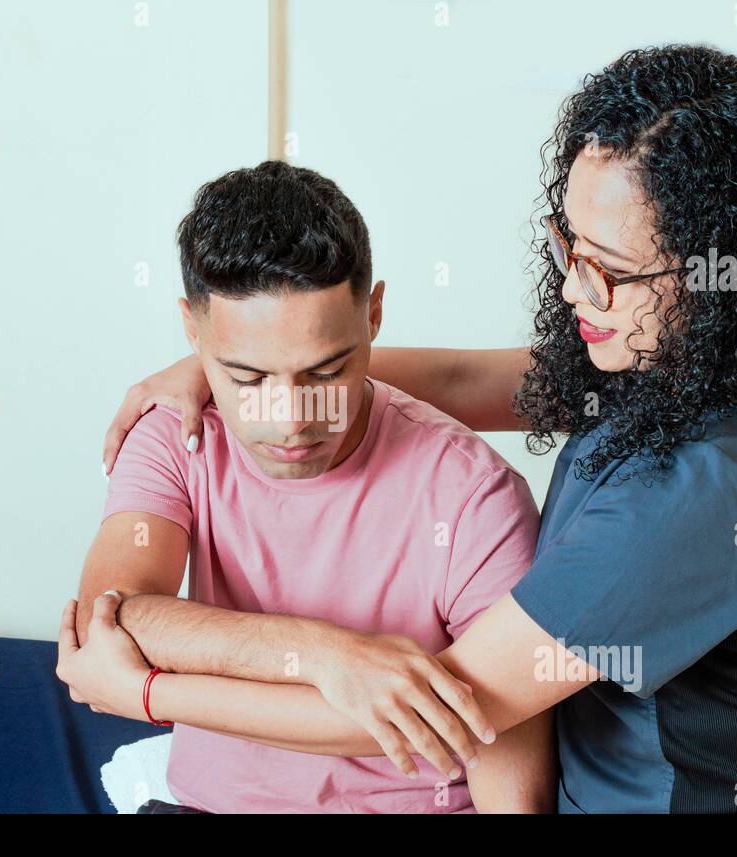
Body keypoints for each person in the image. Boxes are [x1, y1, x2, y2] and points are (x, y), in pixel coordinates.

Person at [80, 44, 737, 813]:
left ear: (724, 278)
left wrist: (142, 693)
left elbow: (444, 702)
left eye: (614, 271)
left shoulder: (702, 492)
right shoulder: (668, 364)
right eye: (572, 250)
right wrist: (229, 367)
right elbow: (458, 378)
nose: (574, 291)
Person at [57, 160, 552, 813]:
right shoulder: (176, 435)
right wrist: (326, 653)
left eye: (325, 371)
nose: (290, 420)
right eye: (248, 377)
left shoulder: (474, 495)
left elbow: (510, 778)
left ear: (374, 315)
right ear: (191, 331)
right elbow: (113, 616)